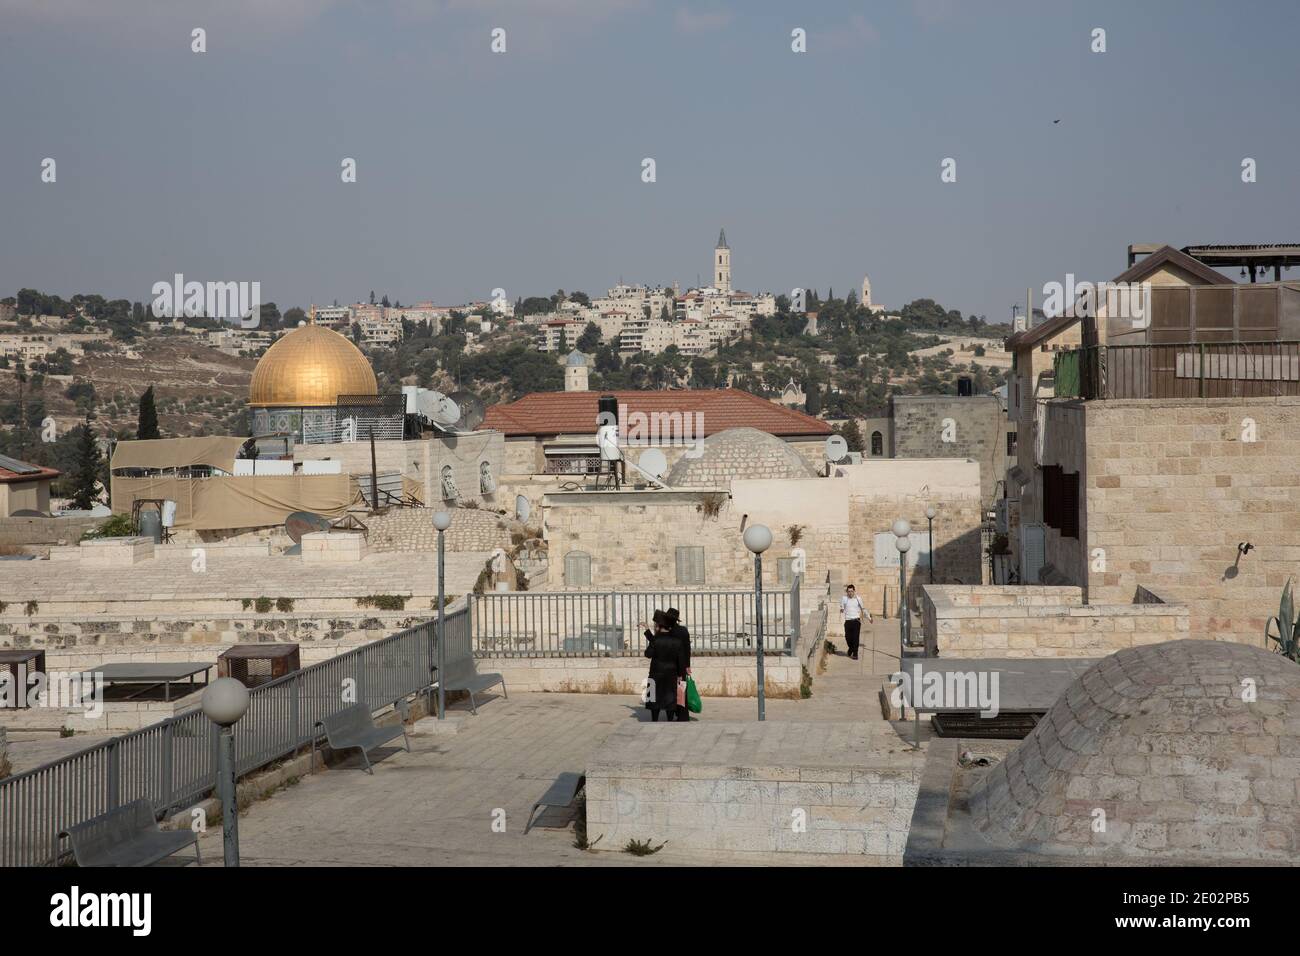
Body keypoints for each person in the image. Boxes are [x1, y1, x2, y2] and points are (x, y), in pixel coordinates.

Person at [643, 610, 687, 722]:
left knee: (653, 697)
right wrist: (681, 675)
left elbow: (648, 654)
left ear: (659, 626)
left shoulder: (655, 640)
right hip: (671, 673)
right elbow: (681, 661)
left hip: (655, 672)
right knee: (670, 698)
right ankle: (670, 719)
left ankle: (654, 719)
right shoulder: (677, 642)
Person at [665, 607, 692, 721]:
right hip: (682, 665)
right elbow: (687, 649)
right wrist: (687, 665)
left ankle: (674, 712)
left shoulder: (669, 632)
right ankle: (683, 714)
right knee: (681, 689)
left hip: (670, 665)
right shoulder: (683, 630)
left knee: (671, 690)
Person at [839, 584, 870, 660]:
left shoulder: (858, 599)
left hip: (856, 621)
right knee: (848, 638)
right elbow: (842, 606)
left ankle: (855, 654)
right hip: (848, 621)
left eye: (851, 591)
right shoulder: (844, 599)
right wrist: (842, 609)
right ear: (847, 592)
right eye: (848, 591)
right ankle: (851, 649)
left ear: (854, 591)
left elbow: (863, 609)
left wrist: (869, 618)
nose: (850, 593)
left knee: (855, 638)